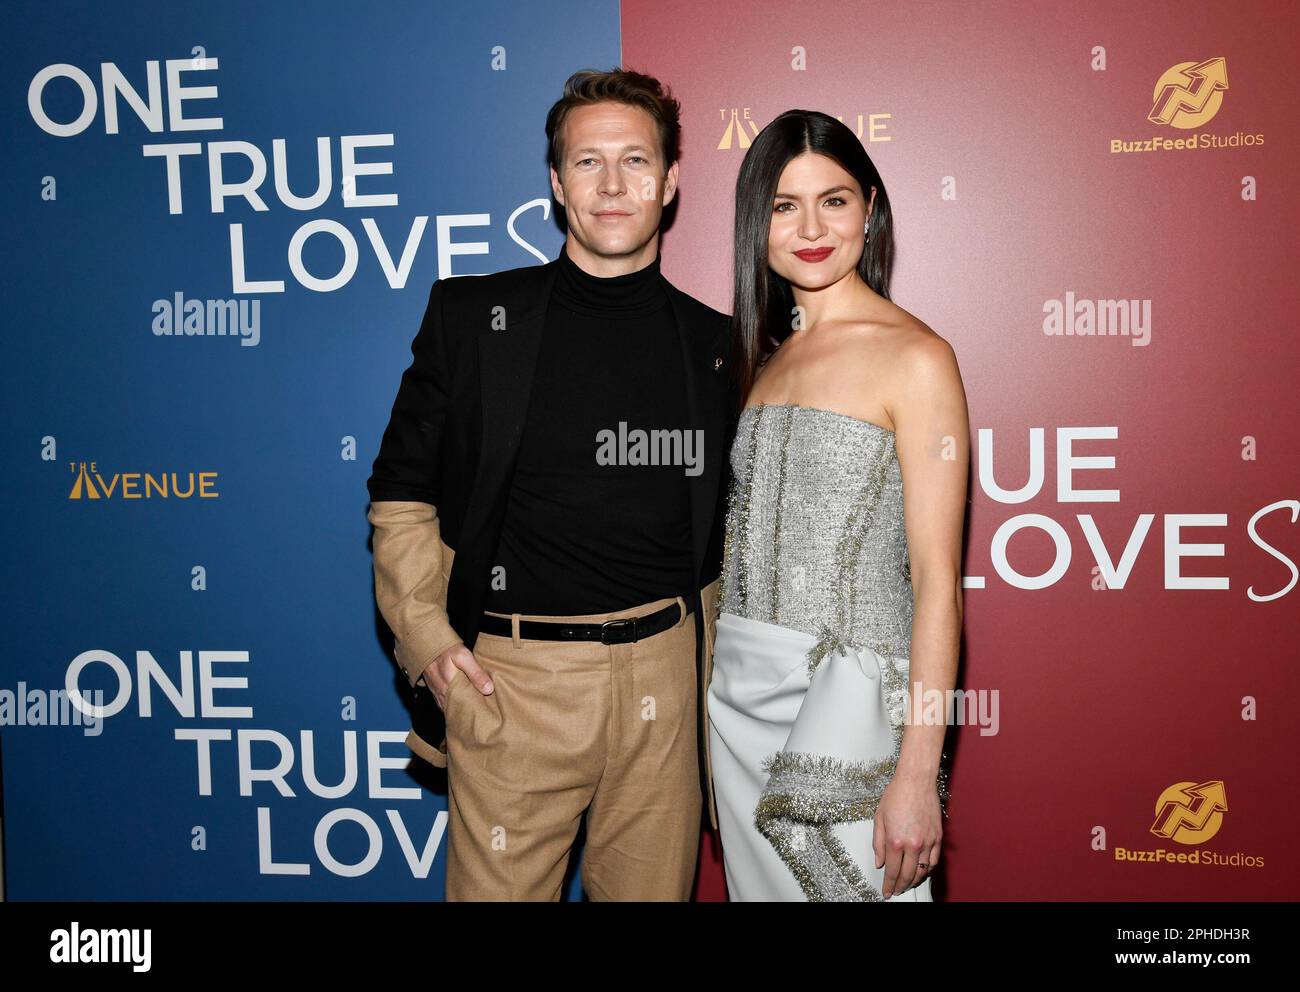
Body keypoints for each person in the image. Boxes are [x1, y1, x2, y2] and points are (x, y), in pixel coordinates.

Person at [365, 67, 736, 900]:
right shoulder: (473, 320)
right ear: (558, 185)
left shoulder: (718, 347)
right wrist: (428, 642)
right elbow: (399, 496)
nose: (612, 185)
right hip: (513, 685)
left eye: (636, 162)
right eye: (587, 163)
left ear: (671, 182)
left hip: (666, 686)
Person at [706, 109, 966, 901]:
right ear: (759, 223)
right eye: (785, 206)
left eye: (835, 200)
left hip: (850, 700)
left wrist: (920, 772)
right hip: (738, 700)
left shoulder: (916, 358)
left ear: (871, 211)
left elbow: (937, 580)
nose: (811, 228)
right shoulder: (765, 360)